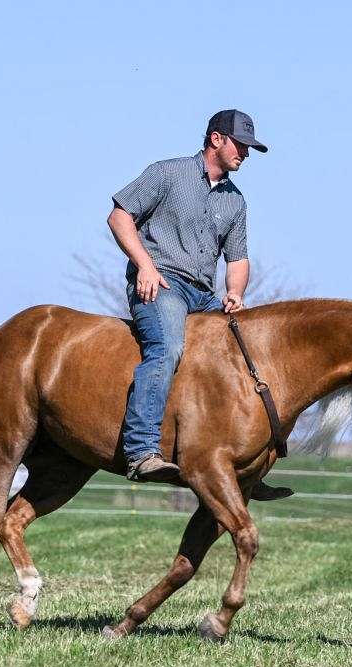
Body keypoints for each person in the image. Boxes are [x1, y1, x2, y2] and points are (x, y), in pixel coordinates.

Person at [108, 109, 292, 500]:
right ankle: (141, 450)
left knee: (247, 353)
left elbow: (238, 260)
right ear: (216, 140)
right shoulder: (166, 173)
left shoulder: (236, 202)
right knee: (168, 347)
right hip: (161, 284)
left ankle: (246, 468)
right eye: (241, 145)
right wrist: (144, 266)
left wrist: (235, 292)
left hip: (203, 294)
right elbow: (119, 217)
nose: (245, 153)